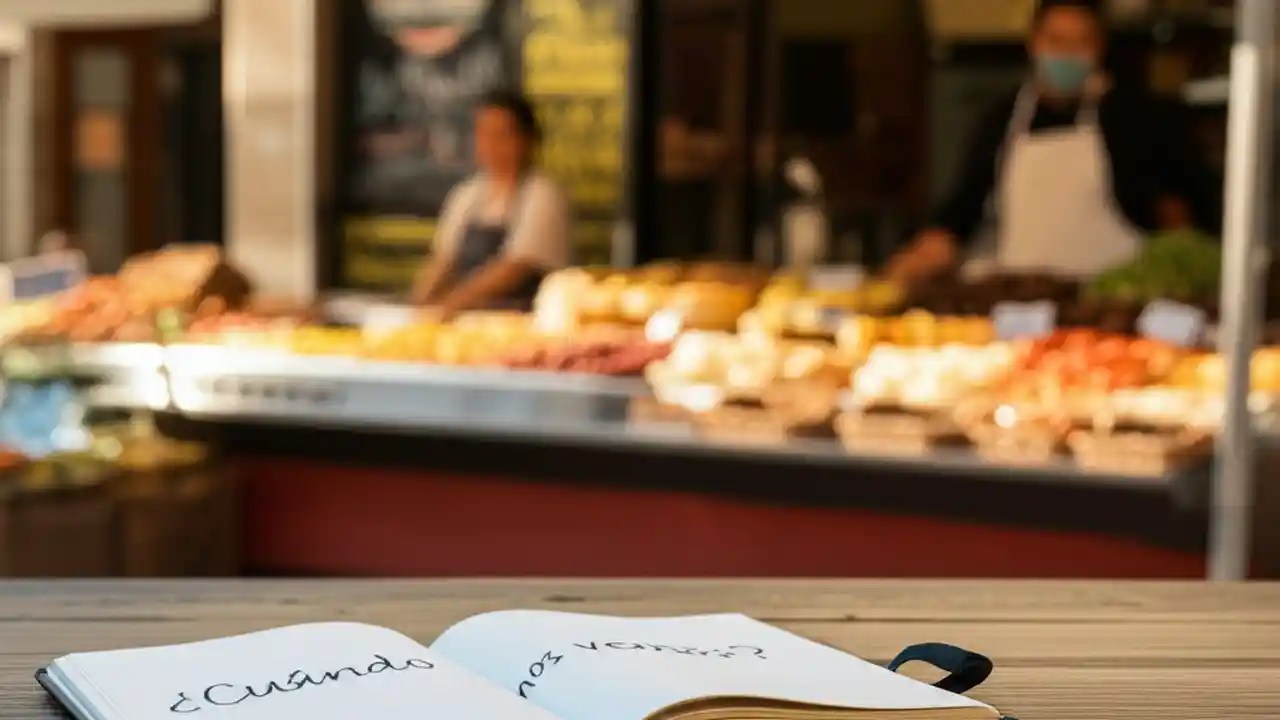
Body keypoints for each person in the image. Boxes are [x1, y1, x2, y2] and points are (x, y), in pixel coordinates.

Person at [887, 0, 1221, 283]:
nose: (1067, 54)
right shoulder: (1001, 121)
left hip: (1114, 309)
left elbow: (1184, 219)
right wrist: (902, 272)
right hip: (1019, 308)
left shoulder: (1138, 118)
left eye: (1081, 42)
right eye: (1056, 41)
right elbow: (960, 216)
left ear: (1100, 47)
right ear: (1033, 43)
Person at [410, 91, 571, 315]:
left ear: (528, 140)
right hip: (467, 321)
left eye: (502, 134)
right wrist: (418, 303)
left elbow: (513, 268)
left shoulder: (543, 195)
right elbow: (444, 259)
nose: (492, 144)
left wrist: (450, 306)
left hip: (522, 324)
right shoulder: (467, 194)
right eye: (484, 134)